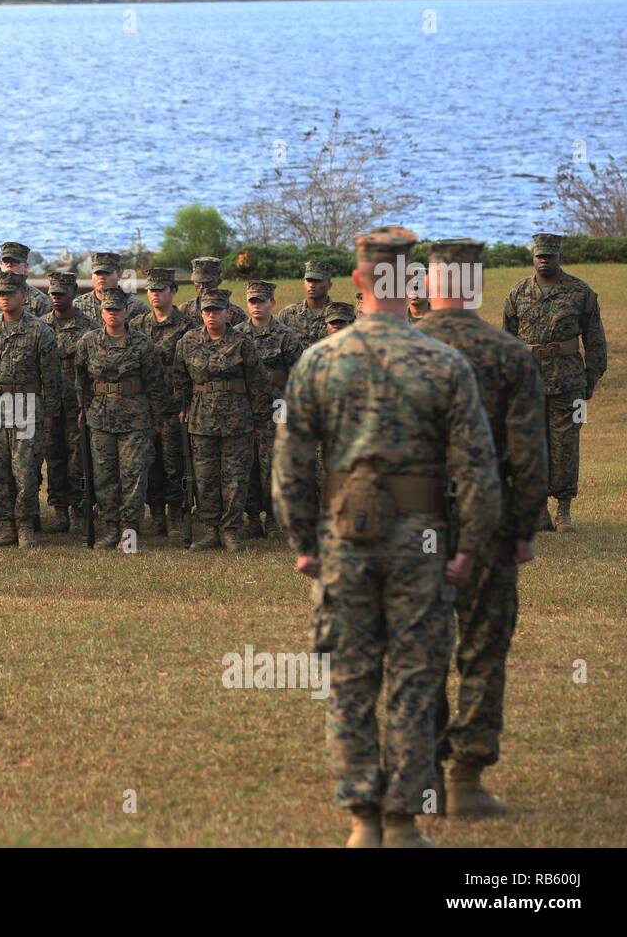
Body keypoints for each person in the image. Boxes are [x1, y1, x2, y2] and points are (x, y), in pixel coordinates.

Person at [272, 226, 501, 848]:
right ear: (414, 283)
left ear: (358, 281)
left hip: (345, 536)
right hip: (422, 539)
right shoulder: (444, 362)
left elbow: (291, 461)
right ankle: (401, 822)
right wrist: (468, 548)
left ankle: (360, 821)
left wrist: (303, 543)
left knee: (349, 678)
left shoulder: (321, 359)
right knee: (414, 677)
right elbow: (477, 470)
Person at [416, 238, 548, 819]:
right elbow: (528, 455)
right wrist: (522, 527)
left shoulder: (406, 350)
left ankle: (424, 775)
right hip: (485, 519)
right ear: (477, 284)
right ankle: (465, 778)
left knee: (417, 649)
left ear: (430, 284)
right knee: (483, 648)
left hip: (411, 522)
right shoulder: (510, 353)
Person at [502, 232, 607, 532]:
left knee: (566, 444)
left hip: (568, 382)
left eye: (549, 255)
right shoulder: (517, 293)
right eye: (539, 256)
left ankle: (564, 510)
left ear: (560, 256)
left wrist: (592, 377)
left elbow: (595, 340)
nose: (544, 260)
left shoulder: (580, 293)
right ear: (533, 257)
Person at [175, 290, 273, 552]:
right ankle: (209, 530)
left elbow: (259, 383)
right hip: (201, 421)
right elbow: (180, 377)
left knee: (235, 478)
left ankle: (230, 530)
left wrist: (259, 418)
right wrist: (183, 406)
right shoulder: (188, 341)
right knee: (205, 478)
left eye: (217, 310)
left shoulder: (242, 342)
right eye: (207, 310)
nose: (211, 315)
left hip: (237, 420)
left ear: (227, 312)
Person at [75, 287, 168, 549]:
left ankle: (130, 531)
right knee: (104, 476)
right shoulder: (88, 342)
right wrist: (84, 408)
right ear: (102, 312)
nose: (112, 314)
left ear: (126, 312)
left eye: (117, 310)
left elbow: (156, 385)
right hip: (101, 419)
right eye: (107, 310)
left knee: (133, 476)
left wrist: (156, 420)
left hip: (135, 420)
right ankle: (111, 528)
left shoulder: (142, 344)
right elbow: (80, 380)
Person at [0, 271, 60, 548]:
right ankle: (5, 525)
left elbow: (51, 378)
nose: (5, 298)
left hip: (26, 406)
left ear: (24, 296)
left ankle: (25, 526)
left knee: (25, 470)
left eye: (10, 293)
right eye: (0, 294)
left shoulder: (40, 331)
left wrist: (48, 413)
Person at [129, 267, 196, 541]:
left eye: (161, 289)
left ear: (173, 291)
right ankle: (155, 514)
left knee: (174, 463)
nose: (155, 294)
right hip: (143, 407)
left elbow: (193, 369)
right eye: (151, 290)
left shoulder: (188, 327)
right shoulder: (137, 325)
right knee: (148, 462)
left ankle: (176, 515)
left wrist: (188, 404)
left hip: (173, 406)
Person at [235, 279, 303, 540]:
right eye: (252, 301)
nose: (256, 306)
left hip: (278, 408)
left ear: (272, 303)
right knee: (247, 465)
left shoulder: (286, 336)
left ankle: (274, 518)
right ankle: (252, 518)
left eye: (261, 301)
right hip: (244, 408)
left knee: (273, 466)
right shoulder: (237, 334)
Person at [41, 271, 96, 532]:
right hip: (50, 404)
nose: (55, 298)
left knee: (78, 457)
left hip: (76, 404)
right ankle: (58, 509)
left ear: (73, 293)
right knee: (53, 456)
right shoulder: (40, 325)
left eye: (61, 294)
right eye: (52, 293)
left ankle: (78, 508)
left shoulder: (88, 327)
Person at [74, 251, 147, 320]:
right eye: (98, 273)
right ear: (91, 276)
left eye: (107, 273)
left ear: (119, 275)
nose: (102, 277)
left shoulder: (135, 306)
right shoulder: (78, 305)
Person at [279, 260, 335, 346]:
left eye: (317, 281)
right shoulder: (288, 314)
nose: (312, 285)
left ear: (329, 285)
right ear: (303, 283)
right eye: (309, 280)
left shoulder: (341, 314)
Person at [0, 241, 51, 315]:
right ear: (1, 264)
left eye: (15, 261)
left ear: (25, 266)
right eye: (6, 261)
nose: (9, 265)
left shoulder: (40, 301)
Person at [181, 256, 247, 325]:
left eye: (207, 282)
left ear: (218, 280)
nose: (202, 287)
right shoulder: (184, 311)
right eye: (198, 282)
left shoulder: (235, 315)